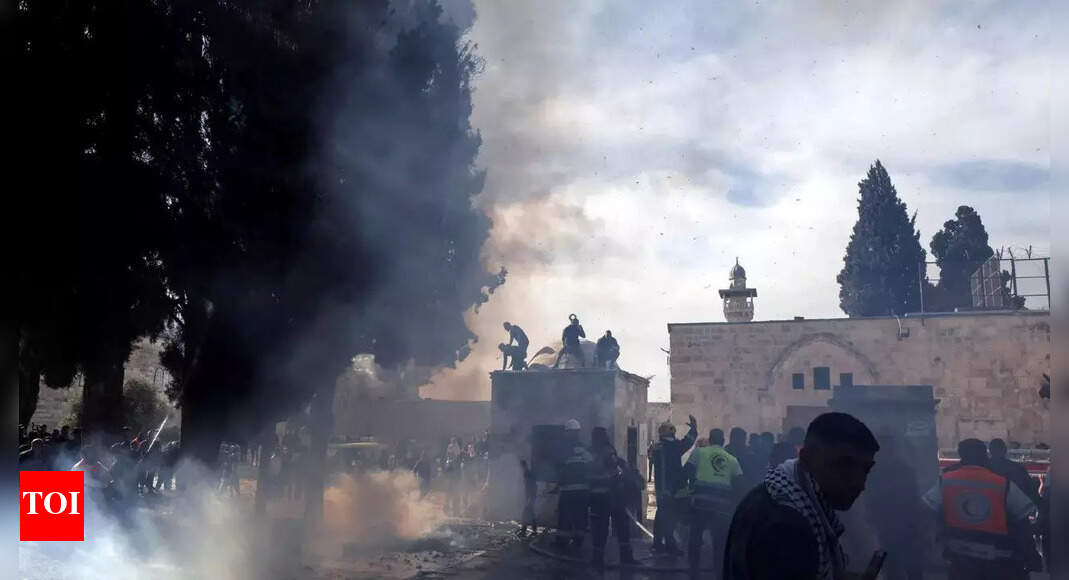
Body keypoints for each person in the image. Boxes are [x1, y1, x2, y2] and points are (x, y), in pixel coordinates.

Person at [723, 412, 879, 580]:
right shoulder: (785, 525)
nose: (859, 483)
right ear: (806, 458)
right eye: (845, 465)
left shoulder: (775, 498)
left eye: (865, 470)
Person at [922, 438, 1035, 580]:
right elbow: (1022, 521)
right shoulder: (1002, 484)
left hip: (960, 558)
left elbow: (927, 511)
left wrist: (936, 541)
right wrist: (1031, 555)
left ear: (961, 457)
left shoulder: (945, 480)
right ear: (984, 457)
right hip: (998, 560)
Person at [686, 428, 744, 573]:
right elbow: (739, 483)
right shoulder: (732, 459)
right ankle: (718, 570)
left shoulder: (699, 452)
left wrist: (693, 485)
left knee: (695, 537)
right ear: (723, 441)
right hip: (721, 506)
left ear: (710, 440)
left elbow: (687, 470)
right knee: (719, 541)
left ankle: (693, 570)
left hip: (700, 503)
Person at [588, 426, 637, 570]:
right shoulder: (608, 451)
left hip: (596, 497)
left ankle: (597, 560)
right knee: (622, 526)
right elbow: (616, 466)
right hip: (612, 495)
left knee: (599, 530)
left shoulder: (589, 452)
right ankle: (626, 558)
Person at [648, 415, 698, 555]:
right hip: (669, 489)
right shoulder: (670, 447)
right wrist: (693, 428)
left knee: (664, 516)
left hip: (666, 489)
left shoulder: (660, 448)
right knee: (668, 517)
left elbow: (685, 443)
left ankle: (660, 544)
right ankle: (666, 545)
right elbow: (687, 442)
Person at [554, 419, 592, 548]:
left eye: (567, 432)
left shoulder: (564, 449)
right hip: (583, 491)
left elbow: (562, 470)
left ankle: (562, 542)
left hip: (568, 491)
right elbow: (590, 466)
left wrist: (557, 486)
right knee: (580, 517)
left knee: (564, 516)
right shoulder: (585, 448)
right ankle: (578, 542)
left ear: (569, 432)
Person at [988, 438, 1039, 504]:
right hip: (1012, 505)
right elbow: (1029, 489)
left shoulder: (983, 468)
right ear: (1005, 450)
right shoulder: (1017, 467)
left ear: (990, 451)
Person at [519, 459, 538, 537]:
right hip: (530, 496)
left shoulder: (527, 473)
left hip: (530, 496)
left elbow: (531, 486)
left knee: (526, 513)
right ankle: (533, 529)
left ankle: (524, 530)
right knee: (530, 513)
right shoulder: (527, 473)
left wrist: (530, 498)